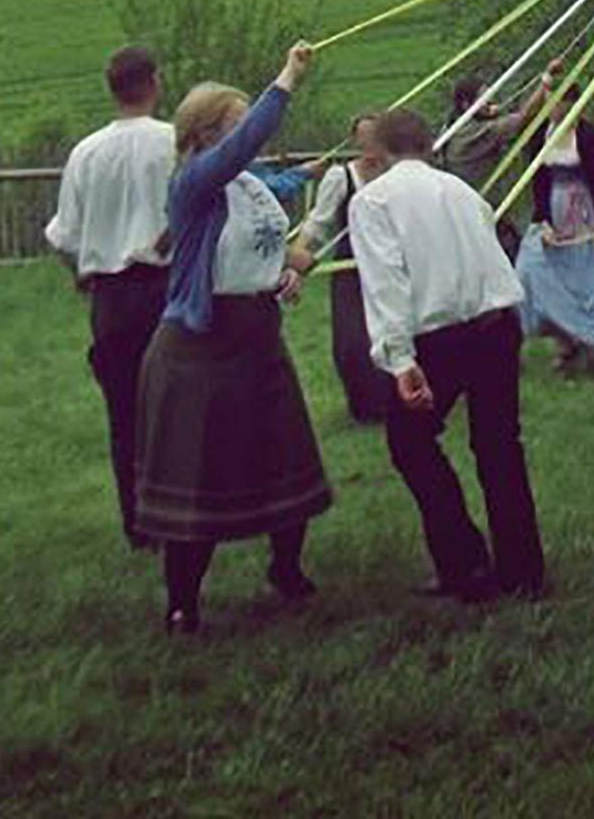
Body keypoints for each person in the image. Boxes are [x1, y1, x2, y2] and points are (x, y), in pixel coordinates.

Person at [134, 43, 330, 634]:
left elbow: (272, 242)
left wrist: (287, 271)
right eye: (238, 124)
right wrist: (287, 80)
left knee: (285, 459)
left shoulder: (249, 183)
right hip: (201, 349)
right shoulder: (195, 181)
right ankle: (182, 604)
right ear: (207, 131)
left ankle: (287, 572)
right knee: (197, 482)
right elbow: (239, 157)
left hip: (258, 338)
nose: (249, 136)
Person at [349, 109, 546, 601]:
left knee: (410, 445)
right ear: (430, 144)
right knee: (500, 445)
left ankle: (465, 564)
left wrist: (400, 360)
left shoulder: (373, 200)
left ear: (379, 151)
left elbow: (384, 281)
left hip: (440, 339)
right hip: (498, 326)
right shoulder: (462, 191)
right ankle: (522, 571)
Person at [44, 46, 174, 550]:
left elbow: (62, 236)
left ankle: (139, 523)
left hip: (112, 299)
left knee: (124, 412)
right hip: (164, 290)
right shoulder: (172, 143)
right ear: (154, 82)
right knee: (176, 404)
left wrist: (82, 272)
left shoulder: (86, 152)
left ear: (111, 88)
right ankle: (183, 510)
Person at [515, 89, 594, 373]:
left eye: (559, 104)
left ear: (573, 104)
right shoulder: (542, 133)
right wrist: (543, 219)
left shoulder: (589, 135)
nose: (554, 109)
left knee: (586, 280)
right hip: (553, 214)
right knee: (529, 271)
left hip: (586, 214)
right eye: (550, 104)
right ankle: (566, 337)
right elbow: (539, 180)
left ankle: (590, 343)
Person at [289, 113, 392, 423]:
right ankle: (365, 406)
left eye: (376, 134)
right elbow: (319, 221)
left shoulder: (395, 174)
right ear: (356, 140)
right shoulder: (341, 177)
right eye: (364, 135)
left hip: (390, 262)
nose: (370, 141)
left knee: (394, 331)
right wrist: (298, 255)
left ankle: (400, 399)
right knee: (353, 341)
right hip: (351, 264)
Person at [440, 62, 559, 258]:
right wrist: (546, 80)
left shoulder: (453, 128)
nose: (490, 102)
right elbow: (524, 118)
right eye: (483, 99)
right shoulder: (472, 134)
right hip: (481, 220)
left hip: (473, 217)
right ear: (466, 105)